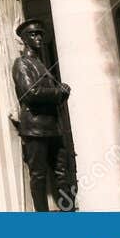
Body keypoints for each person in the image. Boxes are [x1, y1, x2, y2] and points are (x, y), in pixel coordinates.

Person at [12, 19, 76, 211]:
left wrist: (61, 90)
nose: (38, 37)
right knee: (38, 175)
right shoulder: (22, 64)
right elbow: (31, 93)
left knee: (62, 173)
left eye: (40, 34)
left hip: (53, 127)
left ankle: (69, 211)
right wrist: (59, 93)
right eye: (33, 34)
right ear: (24, 39)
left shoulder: (41, 64)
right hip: (35, 128)